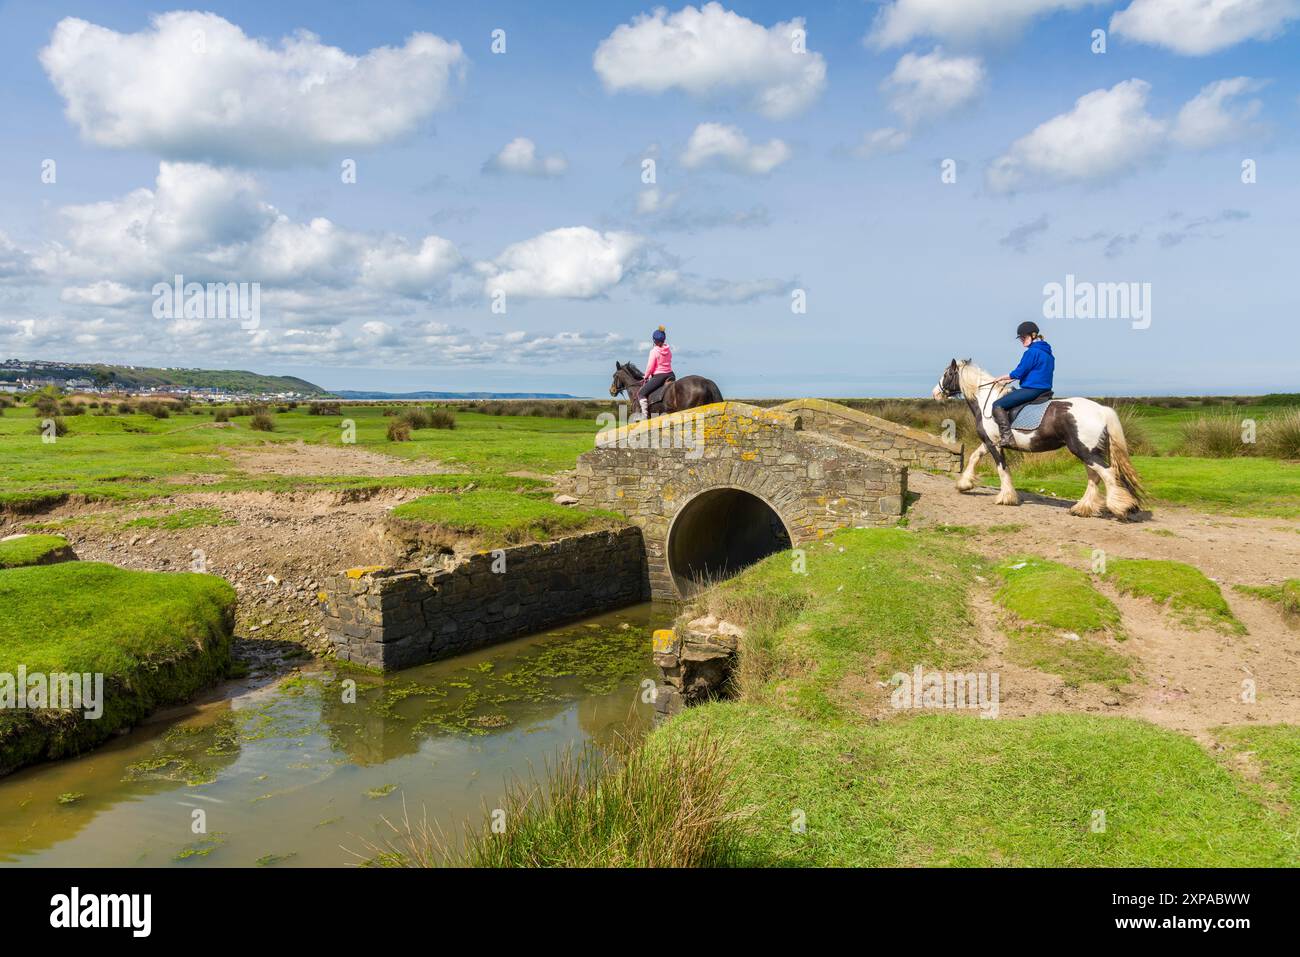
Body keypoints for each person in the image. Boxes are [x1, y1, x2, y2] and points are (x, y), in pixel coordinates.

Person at [991, 321, 1054, 447]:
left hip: (1032, 389)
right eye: (1020, 338)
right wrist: (1010, 379)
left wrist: (1001, 378)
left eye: (1023, 337)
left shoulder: (1031, 352)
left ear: (1034, 335)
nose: (1021, 340)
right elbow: (1033, 371)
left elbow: (1019, 371)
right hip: (1045, 390)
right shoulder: (1048, 353)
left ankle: (1007, 437)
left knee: (997, 404)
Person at [638, 326, 673, 417]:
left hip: (659, 376)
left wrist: (646, 376)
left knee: (641, 393)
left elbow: (650, 367)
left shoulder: (653, 351)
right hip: (670, 374)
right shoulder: (668, 350)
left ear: (654, 341)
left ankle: (644, 416)